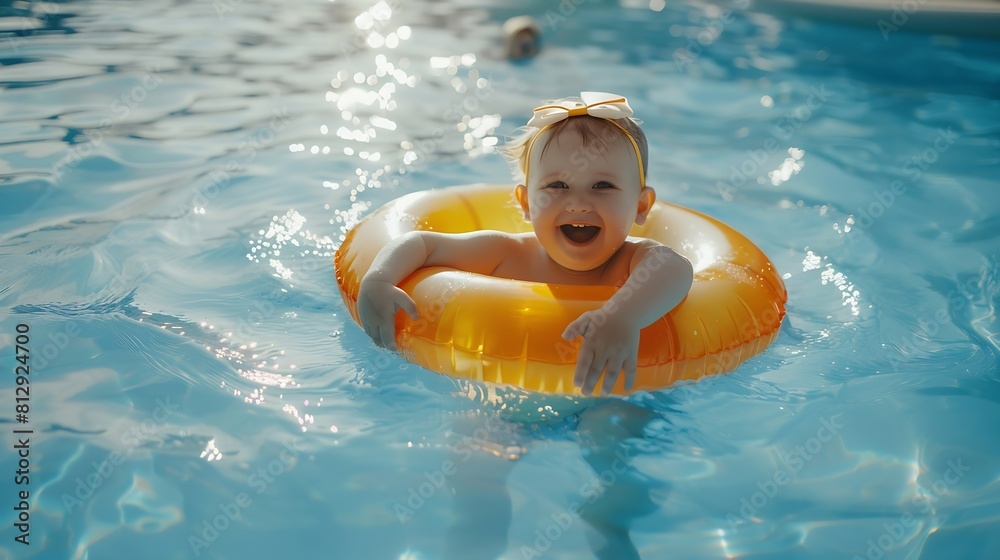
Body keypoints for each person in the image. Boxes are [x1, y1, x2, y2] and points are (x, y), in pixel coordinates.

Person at [357, 91, 693, 396]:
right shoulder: (507, 254)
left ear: (640, 206)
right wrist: (379, 279)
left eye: (602, 185)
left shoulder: (634, 261)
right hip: (511, 392)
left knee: (609, 430)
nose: (578, 203)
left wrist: (622, 317)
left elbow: (676, 268)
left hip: (612, 393)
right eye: (558, 185)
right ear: (527, 204)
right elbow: (422, 244)